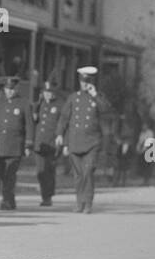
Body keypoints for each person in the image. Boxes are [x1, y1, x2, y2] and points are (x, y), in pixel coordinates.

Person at [57, 65, 111, 213]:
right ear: (79, 82)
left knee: (88, 172)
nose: (85, 84)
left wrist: (96, 95)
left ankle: (88, 203)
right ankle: (79, 202)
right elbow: (64, 118)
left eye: (88, 81)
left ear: (92, 82)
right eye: (83, 81)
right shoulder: (73, 98)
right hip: (75, 141)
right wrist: (60, 135)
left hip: (92, 142)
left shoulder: (97, 97)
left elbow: (106, 110)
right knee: (78, 175)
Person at [0, 75, 35, 210]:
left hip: (15, 145)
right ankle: (10, 198)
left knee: (10, 173)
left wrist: (29, 144)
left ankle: (6, 199)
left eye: (12, 89)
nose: (9, 92)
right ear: (4, 89)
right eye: (7, 89)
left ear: (16, 89)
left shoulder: (24, 103)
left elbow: (29, 125)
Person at [33, 79, 64, 205]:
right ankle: (44, 194)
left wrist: (60, 139)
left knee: (49, 170)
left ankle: (48, 196)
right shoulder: (39, 104)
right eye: (46, 92)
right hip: (40, 143)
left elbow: (62, 124)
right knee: (40, 171)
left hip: (52, 143)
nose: (48, 94)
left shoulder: (60, 105)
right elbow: (35, 121)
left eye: (50, 92)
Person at [137, 121, 155, 186]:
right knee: (143, 166)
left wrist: (143, 149)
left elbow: (149, 142)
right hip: (142, 151)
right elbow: (140, 142)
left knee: (148, 166)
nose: (143, 127)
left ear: (147, 126)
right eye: (142, 126)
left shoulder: (150, 132)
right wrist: (138, 149)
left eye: (145, 125)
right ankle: (144, 180)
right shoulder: (141, 133)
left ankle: (147, 181)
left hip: (149, 150)